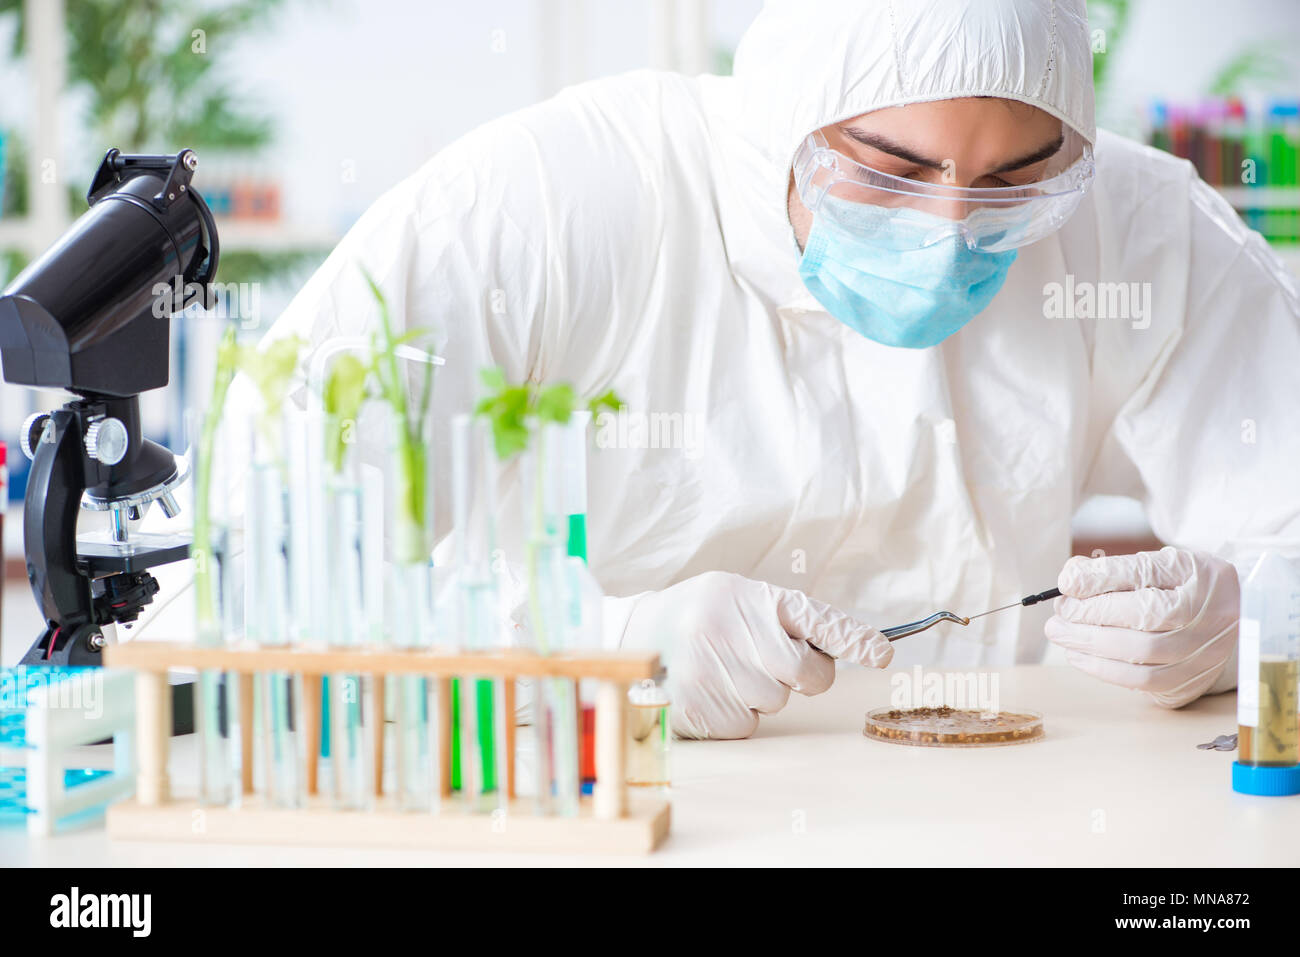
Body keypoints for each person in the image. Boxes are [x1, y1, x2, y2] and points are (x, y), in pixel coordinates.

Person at [243, 0, 1300, 739]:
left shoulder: (1137, 225)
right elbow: (263, 562)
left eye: (1009, 187)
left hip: (975, 817)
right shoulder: (553, 202)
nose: (944, 236)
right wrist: (601, 646)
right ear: (787, 123)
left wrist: (1244, 629)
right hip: (604, 807)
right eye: (891, 172)